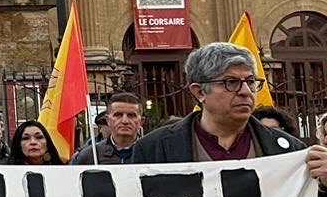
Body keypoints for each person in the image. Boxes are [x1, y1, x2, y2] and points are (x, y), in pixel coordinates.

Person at [133, 44, 317, 164]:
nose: (245, 91)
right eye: (231, 82)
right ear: (199, 92)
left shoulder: (290, 150)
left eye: (250, 81)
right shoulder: (153, 150)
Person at [68, 93, 143, 165]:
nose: (125, 121)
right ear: (108, 120)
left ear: (141, 121)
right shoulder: (90, 155)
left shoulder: (150, 152)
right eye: (118, 115)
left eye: (131, 115)